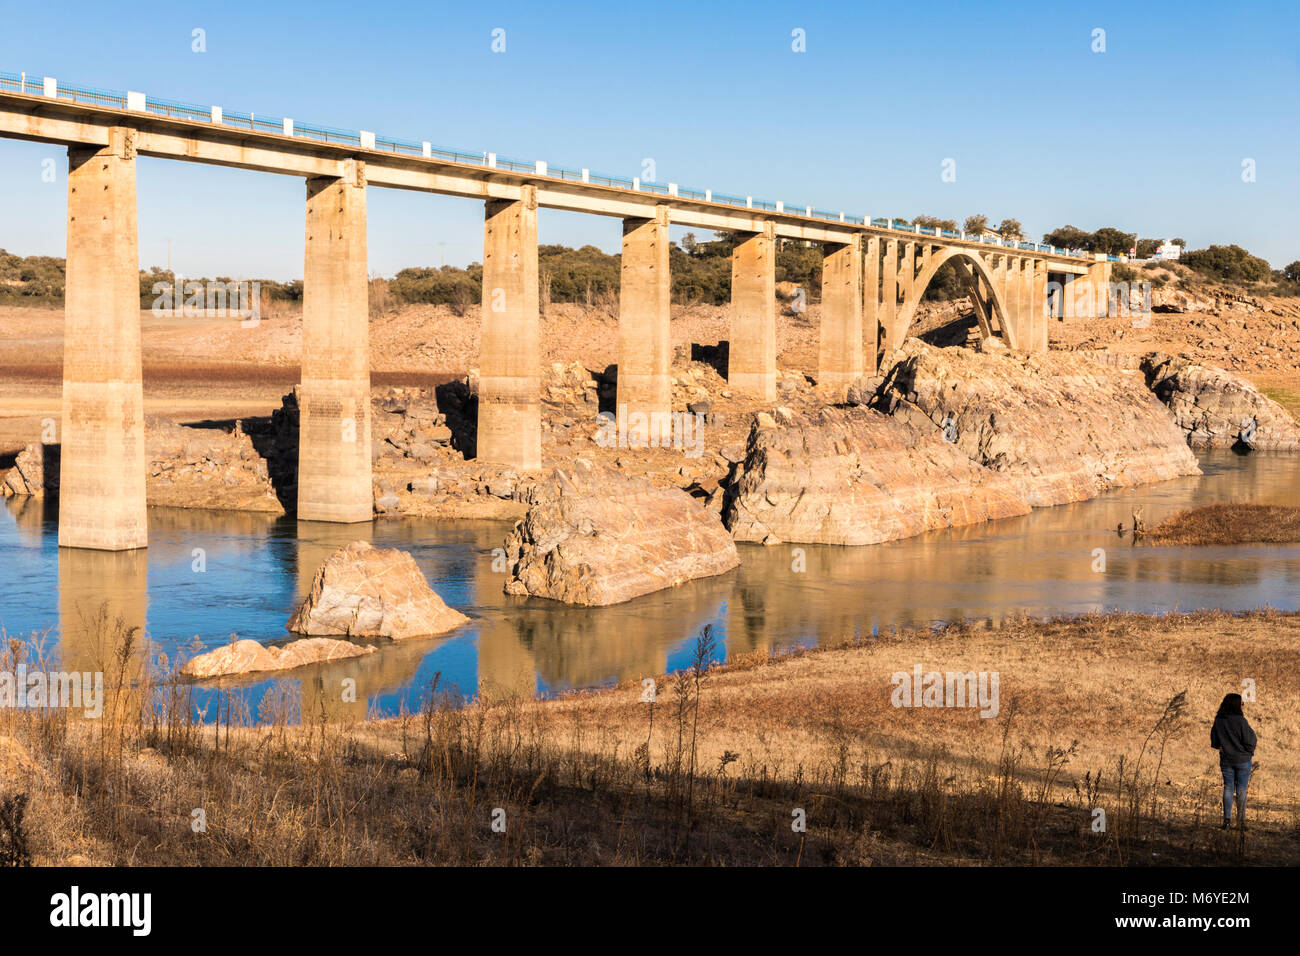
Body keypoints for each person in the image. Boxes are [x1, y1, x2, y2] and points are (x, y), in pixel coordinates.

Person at [1211, 693, 1257, 830]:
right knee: (1242, 790)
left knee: (1228, 788)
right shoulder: (1241, 721)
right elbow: (1251, 740)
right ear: (1237, 705)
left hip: (1226, 760)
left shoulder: (1219, 720)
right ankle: (1241, 822)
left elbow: (1214, 741)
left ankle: (1227, 821)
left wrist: (1223, 747)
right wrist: (1249, 752)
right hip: (1243, 760)